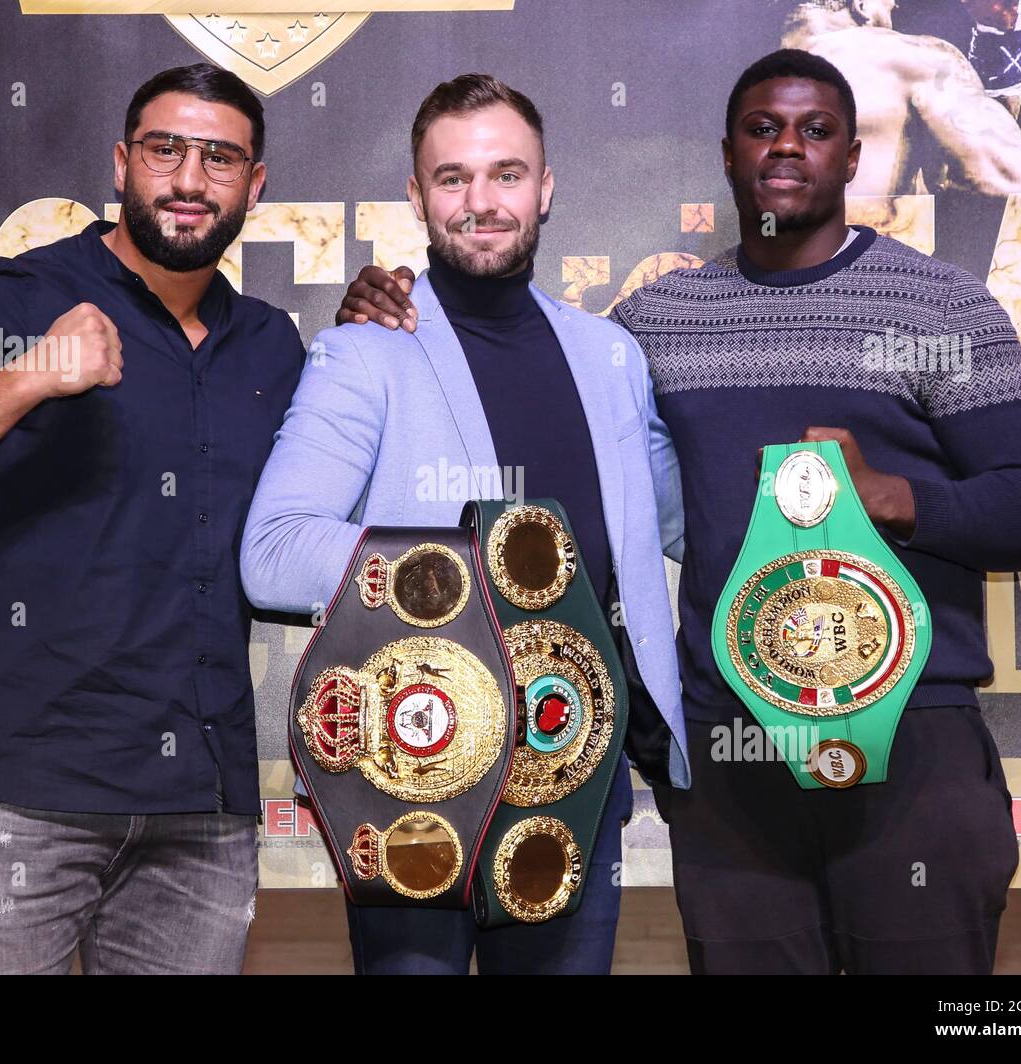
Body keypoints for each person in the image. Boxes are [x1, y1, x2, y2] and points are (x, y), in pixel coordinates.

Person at [333, 49, 1021, 974]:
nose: (788, 148)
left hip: (907, 737)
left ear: (853, 157)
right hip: (730, 747)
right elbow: (542, 395)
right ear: (727, 156)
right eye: (764, 129)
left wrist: (888, 497)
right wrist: (380, 306)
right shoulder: (654, 322)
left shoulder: (939, 305)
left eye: (817, 131)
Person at [0, 63, 304, 974]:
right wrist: (31, 376)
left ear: (254, 187)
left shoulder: (271, 344)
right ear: (122, 164)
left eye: (220, 158)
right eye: (165, 149)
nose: (188, 179)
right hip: (25, 800)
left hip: (203, 814)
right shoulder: (14, 299)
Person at [240, 74, 689, 975]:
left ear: (547, 188)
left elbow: (674, 525)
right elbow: (274, 553)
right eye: (453, 179)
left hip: (576, 771)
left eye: (506, 174)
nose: (481, 203)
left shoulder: (611, 357)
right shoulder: (362, 352)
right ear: (416, 196)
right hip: (414, 765)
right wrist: (469, 578)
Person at [777, 0, 1021, 194]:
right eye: (890, 5)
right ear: (861, 5)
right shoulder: (916, 58)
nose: (894, 14)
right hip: (874, 267)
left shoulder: (749, 83)